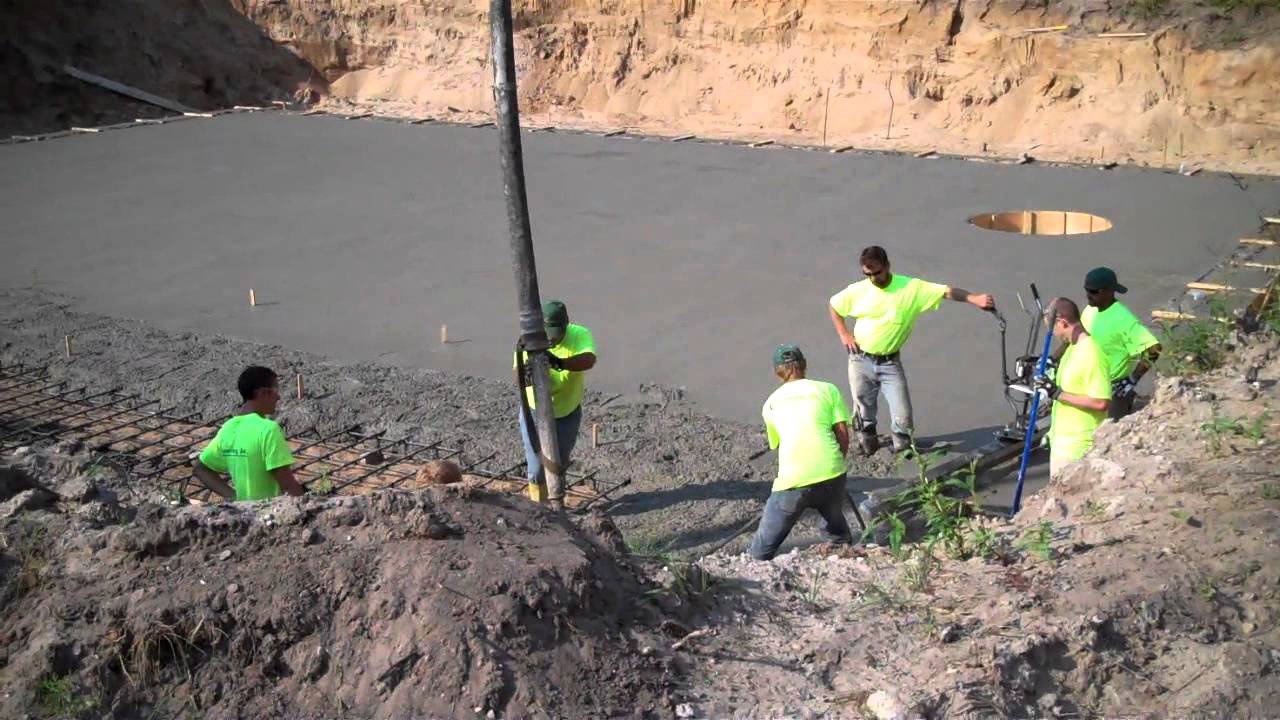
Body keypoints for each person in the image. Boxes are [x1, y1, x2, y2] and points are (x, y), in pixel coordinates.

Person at [827, 245, 995, 455]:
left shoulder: (910, 288)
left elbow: (946, 292)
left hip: (890, 363)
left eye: (877, 272)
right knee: (863, 405)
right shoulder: (858, 291)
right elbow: (834, 306)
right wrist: (844, 334)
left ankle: (901, 444)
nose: (873, 278)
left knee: (902, 411)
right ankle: (866, 439)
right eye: (867, 274)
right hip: (860, 360)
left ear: (887, 266)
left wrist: (975, 299)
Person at [748, 344, 854, 561]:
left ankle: (755, 564)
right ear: (804, 365)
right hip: (832, 471)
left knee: (761, 550)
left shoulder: (770, 404)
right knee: (835, 522)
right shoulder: (828, 390)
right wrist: (836, 463)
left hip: (793, 481)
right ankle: (842, 547)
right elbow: (843, 434)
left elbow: (777, 443)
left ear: (777, 371)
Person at [515, 300, 596, 495]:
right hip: (535, 413)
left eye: (557, 335)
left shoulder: (579, 335)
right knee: (536, 467)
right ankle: (539, 504)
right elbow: (518, 378)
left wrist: (559, 362)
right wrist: (526, 376)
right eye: (548, 335)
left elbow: (589, 359)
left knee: (558, 463)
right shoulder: (527, 340)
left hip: (566, 413)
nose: (552, 340)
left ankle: (556, 498)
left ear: (566, 325)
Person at [193, 366, 304, 501]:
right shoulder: (268, 430)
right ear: (263, 393)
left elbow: (200, 468)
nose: (278, 397)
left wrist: (234, 497)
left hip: (246, 515)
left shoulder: (228, 428)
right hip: (269, 515)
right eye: (276, 391)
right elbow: (288, 486)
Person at [1034, 298, 1112, 478]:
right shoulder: (1072, 348)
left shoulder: (1092, 354)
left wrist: (1057, 393)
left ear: (1062, 322)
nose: (1053, 334)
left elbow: (1101, 402)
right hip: (1061, 442)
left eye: (1053, 329)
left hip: (1077, 448)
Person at [1080, 267, 1161, 419]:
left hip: (1111, 391)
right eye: (1087, 290)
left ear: (1109, 292)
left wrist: (1132, 379)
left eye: (1094, 292)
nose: (1088, 296)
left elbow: (1154, 348)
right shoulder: (1089, 311)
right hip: (1086, 385)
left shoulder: (1123, 318)